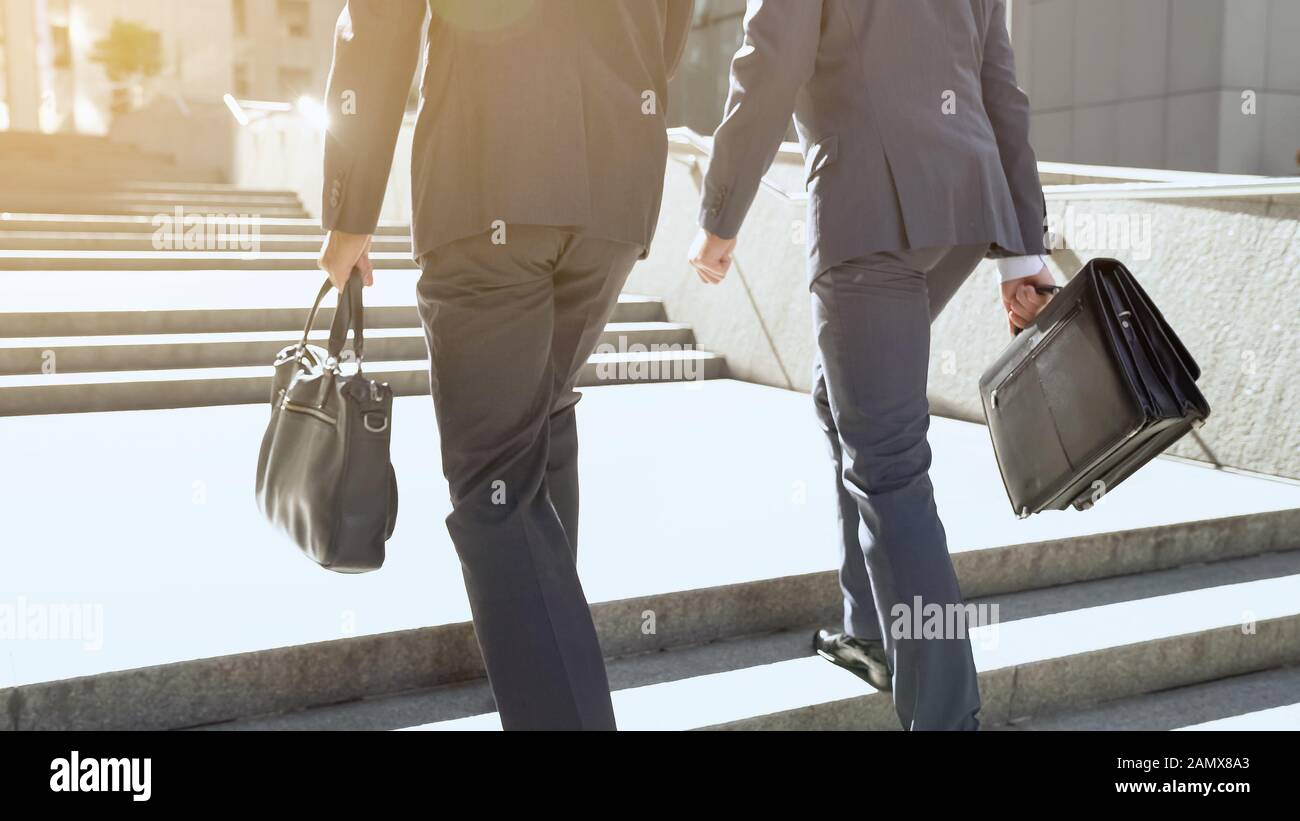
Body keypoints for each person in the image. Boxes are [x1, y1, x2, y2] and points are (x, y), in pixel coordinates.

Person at [317, 0, 695, 731]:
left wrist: (350, 212)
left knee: (495, 478)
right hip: (616, 189)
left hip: (491, 172)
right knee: (539, 422)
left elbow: (379, 21)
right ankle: (543, 679)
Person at [687, 0, 1055, 730]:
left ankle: (947, 714)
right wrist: (1023, 251)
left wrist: (719, 216)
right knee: (843, 399)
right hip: (963, 206)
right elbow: (998, 86)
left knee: (887, 462)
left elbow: (771, 58)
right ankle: (870, 631)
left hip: (871, 210)